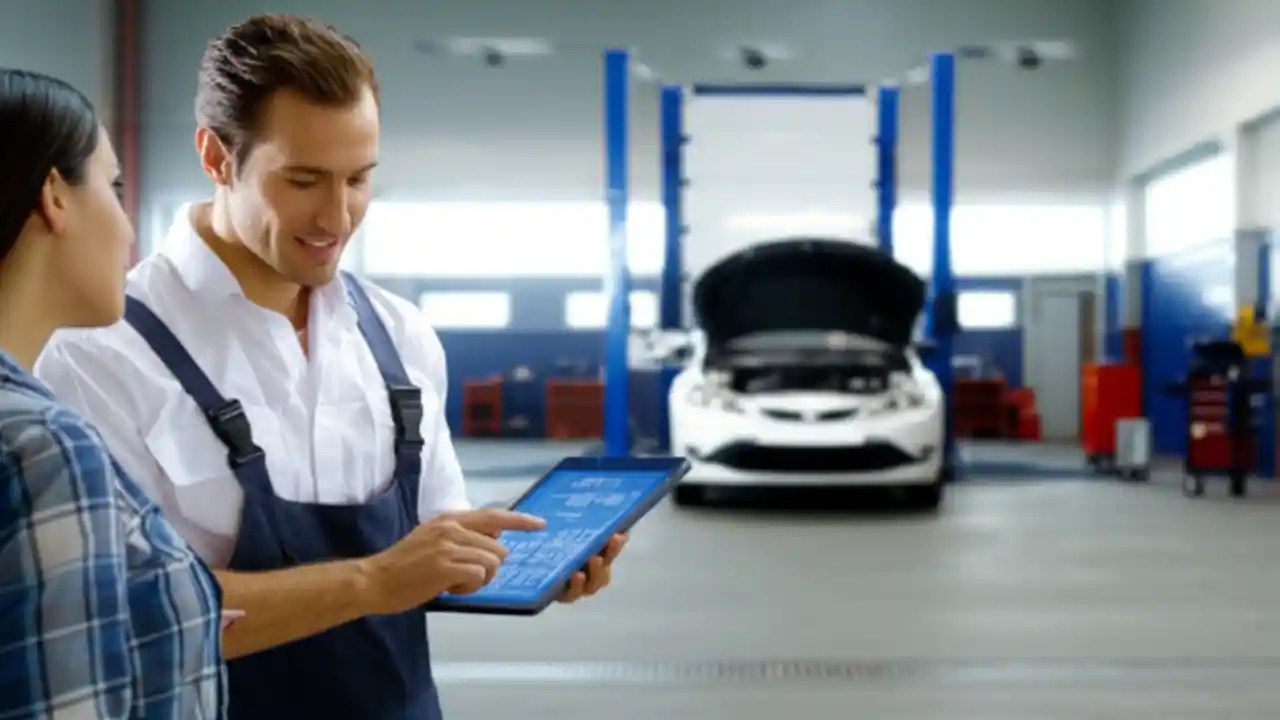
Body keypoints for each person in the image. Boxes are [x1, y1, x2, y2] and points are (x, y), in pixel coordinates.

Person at [35, 13, 628, 720]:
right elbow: (126, 617)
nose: (337, 217)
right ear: (217, 157)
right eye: (305, 180)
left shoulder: (399, 338)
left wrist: (531, 564)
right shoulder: (98, 352)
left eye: (358, 179)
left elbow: (431, 550)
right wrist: (374, 581)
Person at [0, 68, 225, 717]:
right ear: (54, 196)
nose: (129, 228)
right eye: (114, 185)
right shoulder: (42, 446)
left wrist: (167, 622)